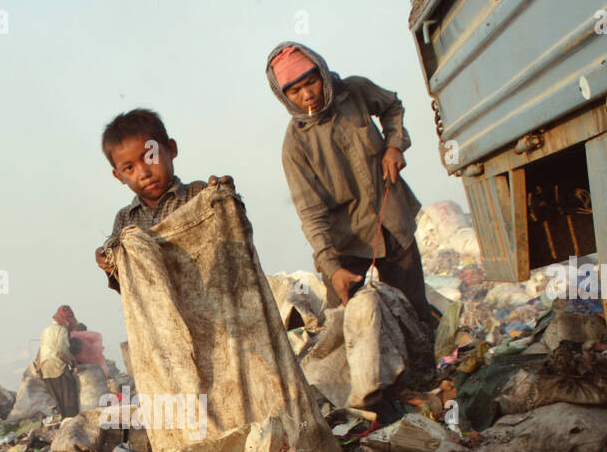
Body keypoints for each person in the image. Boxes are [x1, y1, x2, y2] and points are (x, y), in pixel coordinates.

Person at [266, 42, 437, 383]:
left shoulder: (356, 91)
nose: (307, 95)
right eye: (295, 91)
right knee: (348, 329)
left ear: (322, 74)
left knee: (413, 312)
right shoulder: (295, 146)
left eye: (311, 82)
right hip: (347, 245)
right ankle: (371, 397)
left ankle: (426, 383)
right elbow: (311, 213)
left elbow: (392, 106)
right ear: (284, 97)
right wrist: (332, 269)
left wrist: (394, 145)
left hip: (392, 221)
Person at [94, 109, 230, 292]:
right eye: (129, 168)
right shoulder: (125, 220)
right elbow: (127, 287)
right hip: (158, 307)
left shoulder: (199, 195)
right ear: (119, 176)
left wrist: (226, 199)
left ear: (171, 149)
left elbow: (232, 244)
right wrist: (108, 263)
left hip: (208, 298)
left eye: (151, 156)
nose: (144, 173)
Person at [38, 305, 80, 417]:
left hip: (45, 368)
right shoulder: (62, 330)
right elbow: (63, 349)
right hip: (57, 366)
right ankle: (72, 420)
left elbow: (41, 350)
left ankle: (64, 421)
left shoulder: (46, 330)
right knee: (69, 397)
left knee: (58, 400)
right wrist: (73, 361)